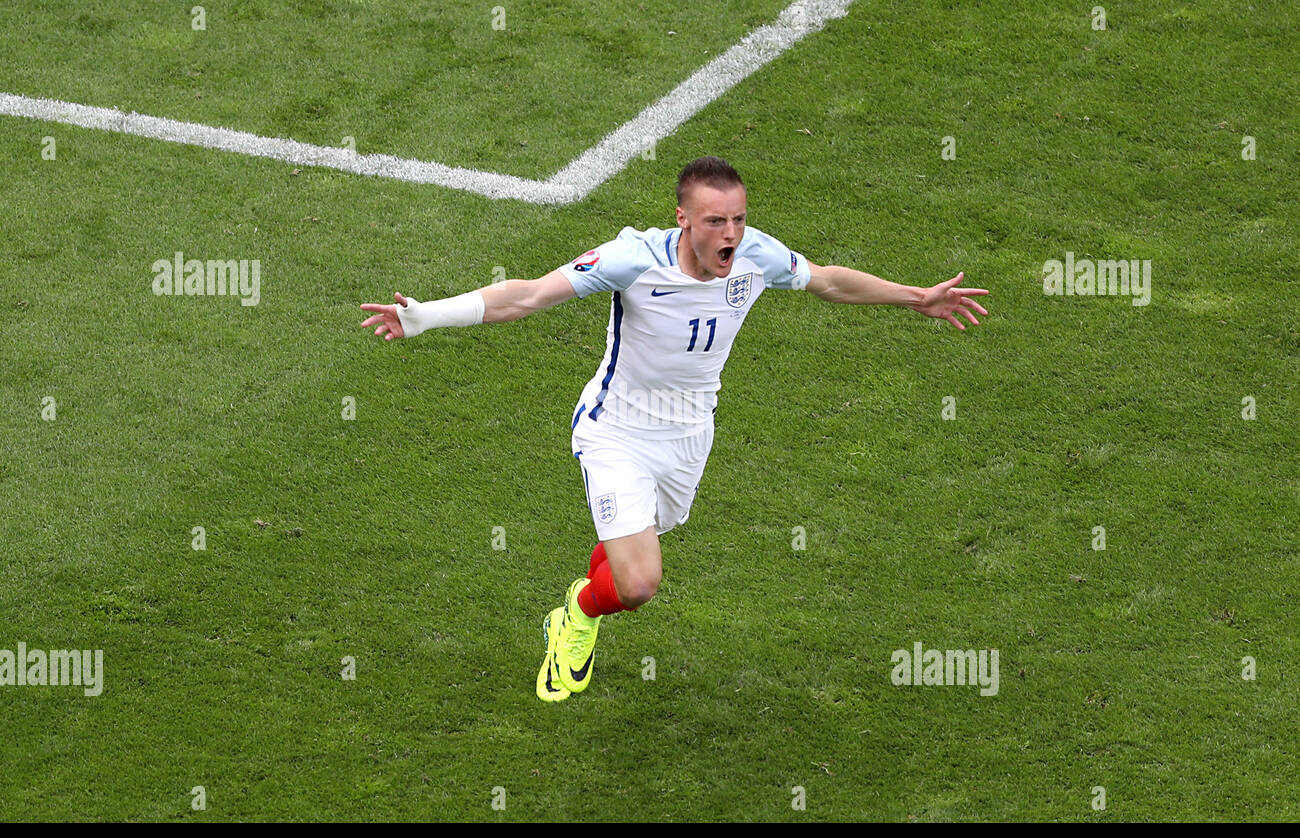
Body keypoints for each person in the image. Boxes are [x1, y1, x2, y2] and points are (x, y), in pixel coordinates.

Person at [360, 155, 989, 703]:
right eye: (717, 222)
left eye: (739, 219)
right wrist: (427, 317)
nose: (732, 234)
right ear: (683, 219)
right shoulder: (632, 259)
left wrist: (916, 297)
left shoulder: (757, 257)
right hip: (618, 431)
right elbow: (526, 296)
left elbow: (826, 281)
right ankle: (576, 615)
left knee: (631, 544)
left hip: (690, 436)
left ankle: (593, 589)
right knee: (638, 583)